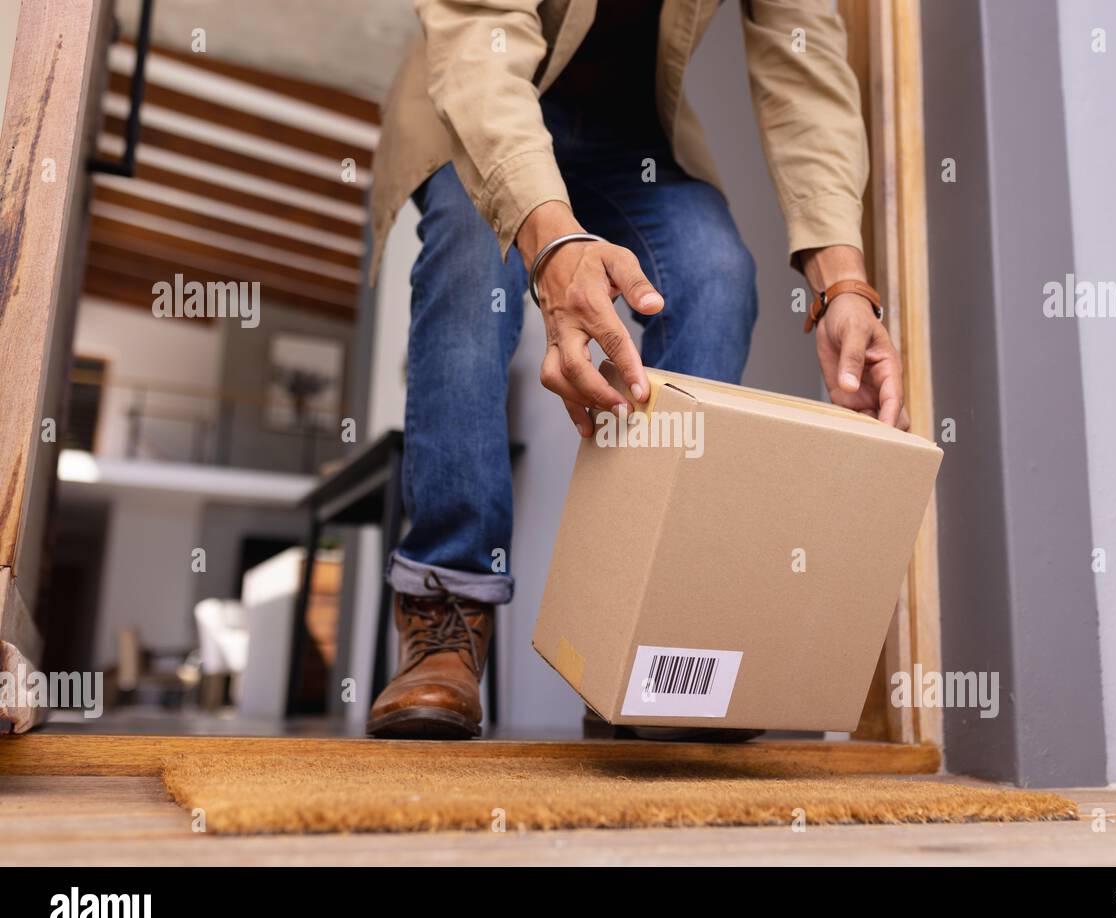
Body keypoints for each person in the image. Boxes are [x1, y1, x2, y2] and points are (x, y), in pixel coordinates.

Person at [363, 0, 907, 740]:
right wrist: (551, 240)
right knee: (470, 248)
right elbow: (478, 38)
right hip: (488, 101)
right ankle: (445, 606)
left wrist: (843, 281)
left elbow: (803, 66)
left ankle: (643, 637)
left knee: (716, 274)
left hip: (629, 136)